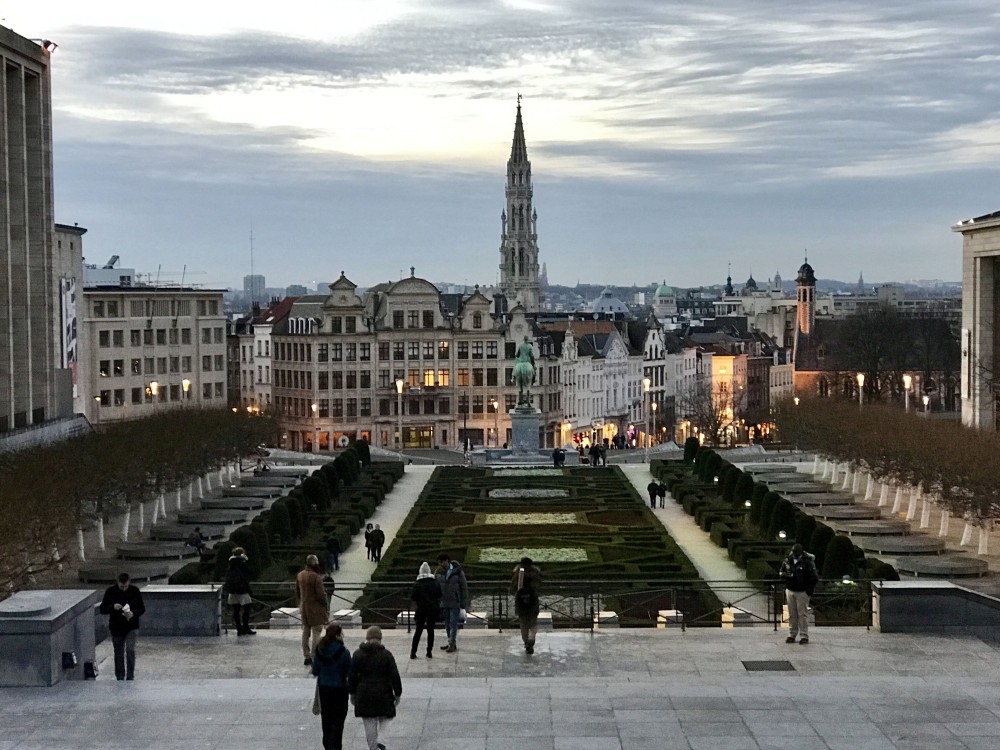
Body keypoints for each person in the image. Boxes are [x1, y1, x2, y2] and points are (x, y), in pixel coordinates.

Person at [349, 625, 402, 750]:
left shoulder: (357, 655)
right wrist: (398, 693)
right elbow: (394, 675)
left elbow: (351, 676)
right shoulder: (387, 655)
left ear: (367, 638)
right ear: (380, 639)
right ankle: (382, 741)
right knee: (387, 717)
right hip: (384, 694)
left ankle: (373, 747)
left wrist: (352, 693)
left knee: (369, 723)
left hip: (364, 694)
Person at [312, 623, 352, 750]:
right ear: (337, 635)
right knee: (338, 721)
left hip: (324, 689)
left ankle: (327, 744)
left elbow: (315, 671)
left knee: (326, 719)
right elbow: (349, 672)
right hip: (340, 689)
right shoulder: (344, 652)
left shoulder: (320, 649)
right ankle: (335, 746)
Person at [99, 572, 146, 680]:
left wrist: (133, 613)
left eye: (126, 586)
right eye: (121, 586)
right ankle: (120, 676)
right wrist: (112, 607)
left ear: (129, 583)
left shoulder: (134, 591)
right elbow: (102, 609)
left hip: (131, 626)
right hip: (116, 626)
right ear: (118, 583)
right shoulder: (111, 592)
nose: (124, 588)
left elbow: (142, 608)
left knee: (130, 650)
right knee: (119, 653)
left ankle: (130, 675)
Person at [779, 543, 819, 645]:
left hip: (802, 591)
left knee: (802, 615)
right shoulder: (788, 560)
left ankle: (804, 635)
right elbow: (781, 572)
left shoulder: (807, 562)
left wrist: (808, 591)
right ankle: (792, 634)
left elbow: (814, 577)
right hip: (790, 589)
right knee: (792, 615)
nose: (794, 555)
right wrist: (786, 576)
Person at [296, 554, 330, 666]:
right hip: (315, 608)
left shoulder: (300, 575)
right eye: (317, 561)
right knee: (317, 632)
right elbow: (321, 594)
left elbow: (297, 592)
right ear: (314, 563)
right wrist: (325, 604)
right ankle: (314, 656)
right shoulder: (316, 577)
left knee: (305, 632)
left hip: (304, 606)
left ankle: (306, 656)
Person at [435, 553, 469, 653]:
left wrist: (463, 602)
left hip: (455, 602)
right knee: (447, 624)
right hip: (444, 602)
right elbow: (435, 586)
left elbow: (464, 588)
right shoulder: (439, 571)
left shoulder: (458, 572)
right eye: (439, 562)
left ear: (447, 561)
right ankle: (450, 641)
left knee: (453, 623)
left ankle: (452, 643)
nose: (440, 564)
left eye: (442, 562)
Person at [409, 562, 442, 659]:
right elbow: (439, 595)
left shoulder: (417, 584)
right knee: (430, 631)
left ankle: (413, 652)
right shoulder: (435, 583)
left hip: (421, 610)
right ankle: (429, 651)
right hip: (432, 610)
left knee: (418, 631)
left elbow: (413, 597)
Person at [511, 557, 542, 655]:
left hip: (521, 600)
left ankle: (526, 641)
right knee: (533, 622)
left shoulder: (517, 573)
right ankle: (531, 639)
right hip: (532, 600)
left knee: (523, 623)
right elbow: (539, 585)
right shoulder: (535, 573)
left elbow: (513, 586)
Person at [225, 547, 255, 636]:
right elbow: (250, 573)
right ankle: (245, 627)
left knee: (236, 610)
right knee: (247, 608)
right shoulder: (242, 563)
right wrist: (246, 561)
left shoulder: (230, 563)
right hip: (242, 590)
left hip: (232, 590)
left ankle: (239, 629)